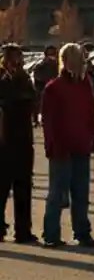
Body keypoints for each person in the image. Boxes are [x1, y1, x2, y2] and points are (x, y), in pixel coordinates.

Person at [40, 43, 94, 249]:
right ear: (64, 62)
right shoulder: (53, 88)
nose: (80, 65)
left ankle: (82, 232)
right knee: (57, 193)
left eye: (81, 60)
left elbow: (91, 110)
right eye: (75, 60)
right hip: (61, 149)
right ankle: (51, 234)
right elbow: (49, 122)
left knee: (81, 193)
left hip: (81, 145)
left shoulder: (85, 85)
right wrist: (53, 146)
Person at [0, 44, 38, 243]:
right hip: (4, 142)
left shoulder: (25, 80)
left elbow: (31, 100)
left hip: (23, 140)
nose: (16, 64)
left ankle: (23, 230)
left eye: (18, 59)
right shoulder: (3, 81)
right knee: (2, 187)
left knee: (23, 187)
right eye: (11, 60)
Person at [31, 45, 58, 127]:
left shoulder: (58, 65)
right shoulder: (41, 65)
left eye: (53, 53)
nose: (52, 56)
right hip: (44, 89)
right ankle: (38, 120)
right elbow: (37, 75)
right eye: (50, 54)